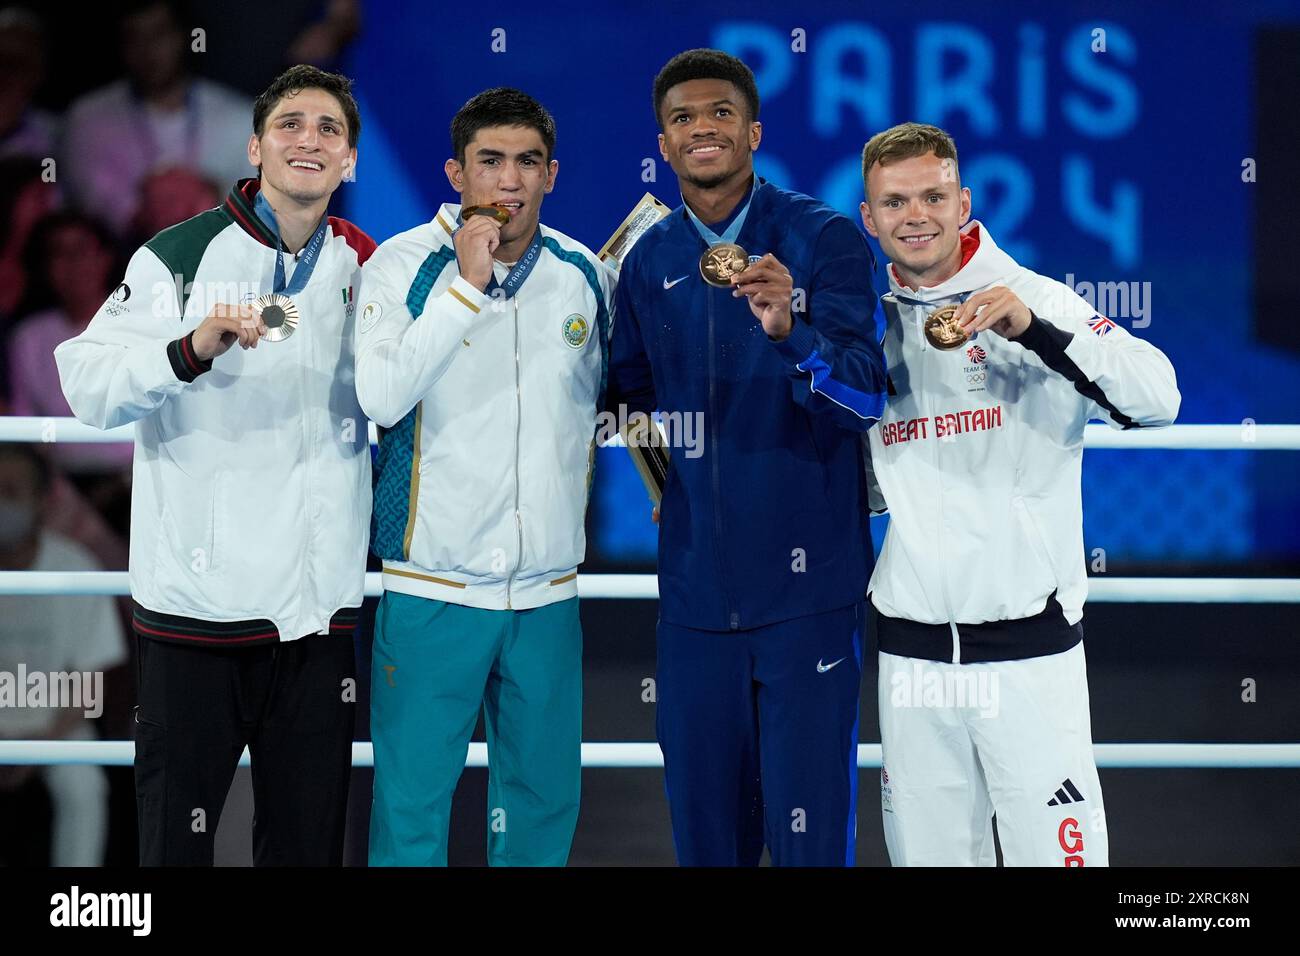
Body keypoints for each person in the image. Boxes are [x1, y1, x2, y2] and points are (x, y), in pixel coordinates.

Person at [54, 64, 375, 866]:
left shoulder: (368, 266)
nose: (310, 139)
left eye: (329, 129)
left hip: (316, 621)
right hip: (197, 620)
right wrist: (188, 349)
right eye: (291, 124)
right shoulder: (178, 258)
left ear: (351, 163)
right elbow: (86, 385)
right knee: (172, 851)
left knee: (305, 852)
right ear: (255, 146)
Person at [858, 122, 1181, 866]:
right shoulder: (864, 327)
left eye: (934, 196)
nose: (917, 216)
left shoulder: (1035, 298)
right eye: (895, 201)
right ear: (870, 219)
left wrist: (1035, 331)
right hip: (913, 661)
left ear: (964, 200)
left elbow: (1159, 396)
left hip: (1030, 656)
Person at [606, 49, 888, 866]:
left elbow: (865, 396)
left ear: (753, 131)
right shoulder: (646, 261)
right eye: (685, 118)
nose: (704, 129)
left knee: (808, 843)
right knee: (707, 843)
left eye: (721, 113)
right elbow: (628, 402)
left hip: (810, 597)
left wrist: (791, 333)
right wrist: (667, 481)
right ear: (663, 143)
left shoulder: (823, 238)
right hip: (694, 602)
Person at [356, 87, 611, 866]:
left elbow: (619, 404)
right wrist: (465, 287)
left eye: (527, 162)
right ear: (455, 172)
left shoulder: (583, 273)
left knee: (540, 812)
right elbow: (380, 396)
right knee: (410, 814)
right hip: (433, 589)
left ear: (552, 175)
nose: (510, 181)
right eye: (491, 162)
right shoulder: (401, 263)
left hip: (546, 595)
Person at [0, 443, 126, 867]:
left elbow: (93, 681)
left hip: (56, 726)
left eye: (11, 492)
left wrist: (39, 743)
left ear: (41, 499)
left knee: (83, 784)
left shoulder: (75, 567)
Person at [61, 0, 251, 236]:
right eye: (134, 37)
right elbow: (91, 204)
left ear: (184, 37)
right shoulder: (88, 119)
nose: (147, 50)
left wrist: (211, 194)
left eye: (159, 34)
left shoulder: (239, 117)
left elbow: (261, 207)